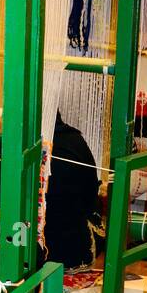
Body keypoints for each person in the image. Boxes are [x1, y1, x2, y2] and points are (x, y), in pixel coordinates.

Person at [43, 111, 105, 269]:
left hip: (45, 250)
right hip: (80, 245)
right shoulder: (75, 140)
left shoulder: (26, 149)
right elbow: (91, 192)